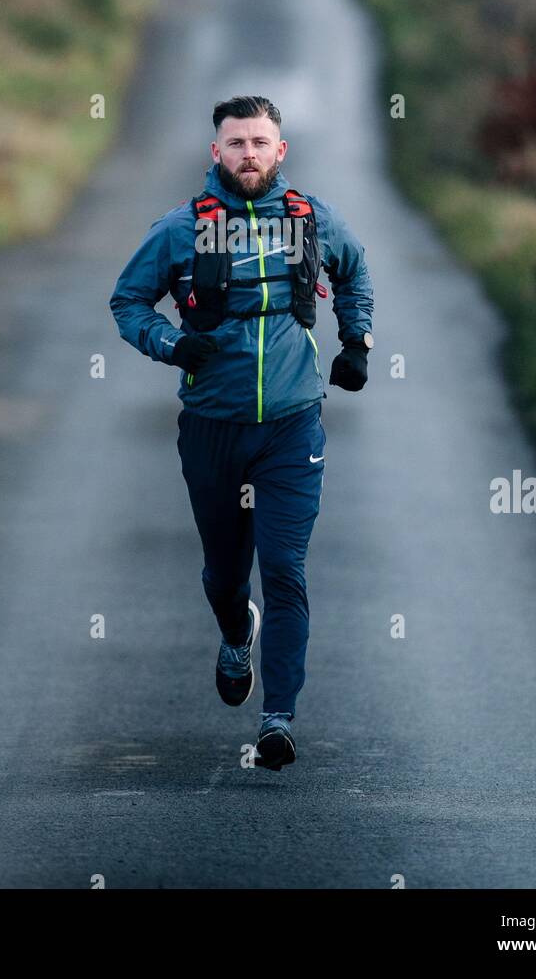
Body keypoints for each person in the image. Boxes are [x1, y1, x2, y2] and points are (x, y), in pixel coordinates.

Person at [109, 95, 374, 771]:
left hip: (292, 428)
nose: (248, 154)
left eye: (260, 142)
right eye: (236, 143)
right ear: (216, 152)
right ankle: (235, 630)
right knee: (227, 575)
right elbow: (127, 300)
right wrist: (170, 345)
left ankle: (278, 720)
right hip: (213, 428)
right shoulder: (180, 230)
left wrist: (357, 341)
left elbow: (355, 271)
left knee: (284, 569)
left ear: (280, 152)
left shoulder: (310, 221)